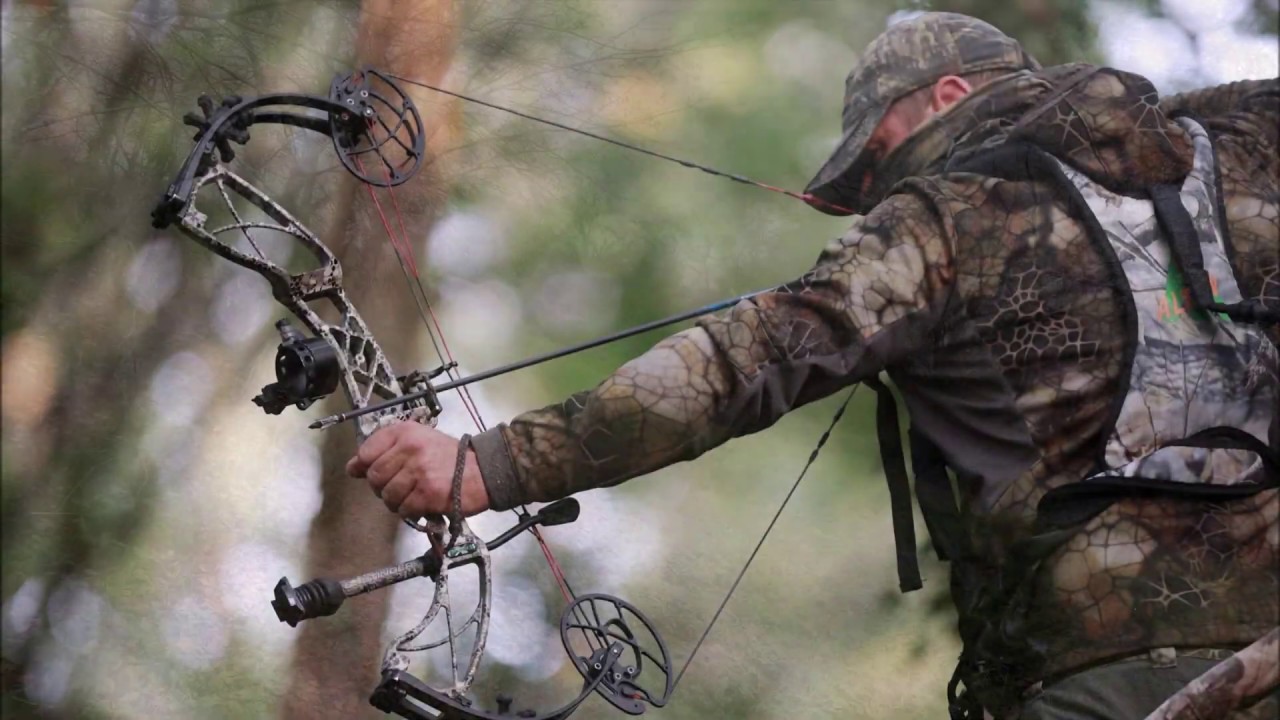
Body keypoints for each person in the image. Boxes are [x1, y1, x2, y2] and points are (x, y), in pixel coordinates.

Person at [347, 12, 1279, 720]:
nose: (873, 192)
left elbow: (738, 361)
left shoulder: (946, 215)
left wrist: (486, 465)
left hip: (1101, 673)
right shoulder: (1242, 154)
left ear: (950, 99)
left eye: (878, 154)